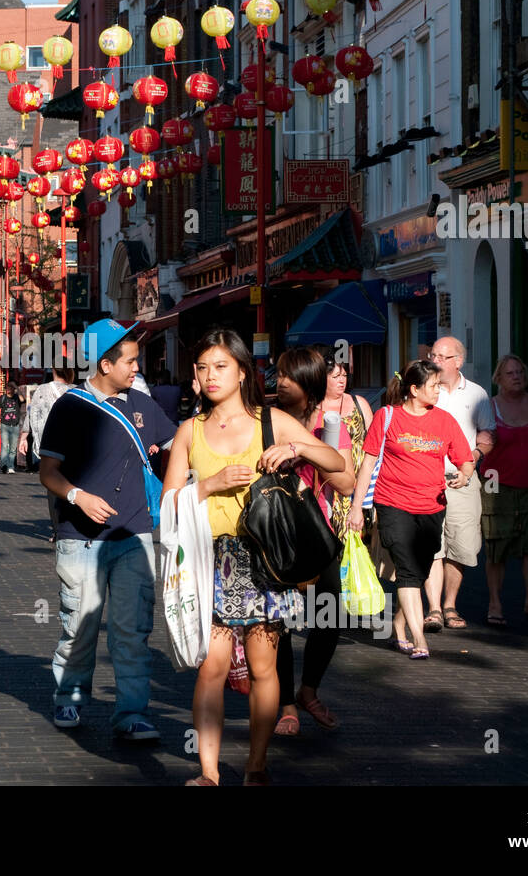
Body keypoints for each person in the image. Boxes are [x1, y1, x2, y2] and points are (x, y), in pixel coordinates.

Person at [163, 330, 345, 785]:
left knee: (264, 668)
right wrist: (207, 485)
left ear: (243, 371)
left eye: (220, 366)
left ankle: (256, 765)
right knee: (212, 667)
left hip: (266, 560)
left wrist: (297, 447)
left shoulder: (272, 420)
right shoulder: (189, 431)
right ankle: (208, 773)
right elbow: (166, 505)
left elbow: (338, 463)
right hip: (212, 560)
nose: (210, 376)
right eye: (203, 367)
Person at [39, 319, 177, 741]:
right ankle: (70, 697)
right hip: (80, 539)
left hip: (133, 535)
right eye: (131, 360)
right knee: (80, 625)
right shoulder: (71, 407)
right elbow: (48, 472)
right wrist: (78, 496)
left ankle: (132, 713)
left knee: (132, 630)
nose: (137, 368)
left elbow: (177, 453)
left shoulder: (143, 406)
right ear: (104, 363)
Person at [348, 361, 476, 659]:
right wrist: (357, 507)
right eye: (433, 386)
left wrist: (465, 475)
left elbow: (465, 459)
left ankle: (398, 625)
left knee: (417, 571)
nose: (438, 392)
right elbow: (367, 463)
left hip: (432, 506)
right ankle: (420, 639)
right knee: (407, 569)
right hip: (393, 504)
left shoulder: (444, 420)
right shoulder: (387, 416)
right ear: (414, 389)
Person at [272, 347, 356, 737]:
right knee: (282, 623)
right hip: (276, 535)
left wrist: (304, 450)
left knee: (329, 616)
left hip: (319, 532)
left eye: (289, 376)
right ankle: (286, 704)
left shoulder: (331, 422)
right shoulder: (264, 421)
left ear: (309, 383)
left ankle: (309, 691)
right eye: (278, 375)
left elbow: (346, 482)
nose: (280, 382)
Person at [423, 337, 495, 632]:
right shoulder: (425, 391)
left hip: (462, 478)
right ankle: (434, 609)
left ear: (458, 361)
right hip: (426, 478)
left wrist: (473, 458)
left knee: (461, 546)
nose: (436, 360)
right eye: (433, 354)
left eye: (443, 356)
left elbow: (488, 434)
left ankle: (451, 603)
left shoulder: (477, 394)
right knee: (432, 546)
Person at [480, 355, 528, 628]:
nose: (516, 377)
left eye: (520, 372)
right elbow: (479, 441)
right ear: (498, 378)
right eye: (510, 373)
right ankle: (495, 603)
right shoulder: (490, 407)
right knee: (497, 545)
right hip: (496, 485)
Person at [319, 348, 376, 540]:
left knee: (360, 539)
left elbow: (374, 444)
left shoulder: (358, 403)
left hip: (360, 483)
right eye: (335, 376)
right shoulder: (314, 408)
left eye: (344, 375)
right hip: (329, 483)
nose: (341, 380)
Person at [0, 380, 23, 473]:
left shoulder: (16, 397)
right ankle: (4, 465)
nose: (8, 390)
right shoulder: (2, 398)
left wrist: (17, 387)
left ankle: (11, 466)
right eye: (7, 388)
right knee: (4, 446)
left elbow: (23, 399)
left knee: (13, 448)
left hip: (15, 425)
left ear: (14, 389)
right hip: (5, 425)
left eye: (10, 388)